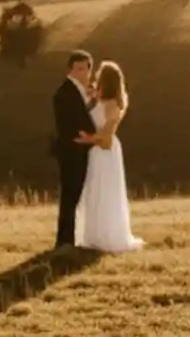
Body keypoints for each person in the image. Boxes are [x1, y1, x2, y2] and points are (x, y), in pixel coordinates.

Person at [73, 60, 143, 253]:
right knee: (93, 192)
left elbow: (106, 139)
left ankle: (107, 236)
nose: (96, 79)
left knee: (105, 193)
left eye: (99, 77)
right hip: (94, 153)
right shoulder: (98, 100)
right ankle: (93, 235)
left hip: (105, 153)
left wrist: (86, 140)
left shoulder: (112, 106)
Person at [51, 50, 96, 248]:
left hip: (82, 150)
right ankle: (65, 239)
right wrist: (84, 138)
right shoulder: (64, 92)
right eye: (78, 68)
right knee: (70, 195)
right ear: (70, 70)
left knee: (77, 195)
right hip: (72, 150)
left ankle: (71, 237)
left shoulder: (83, 91)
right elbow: (67, 124)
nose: (83, 72)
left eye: (86, 68)